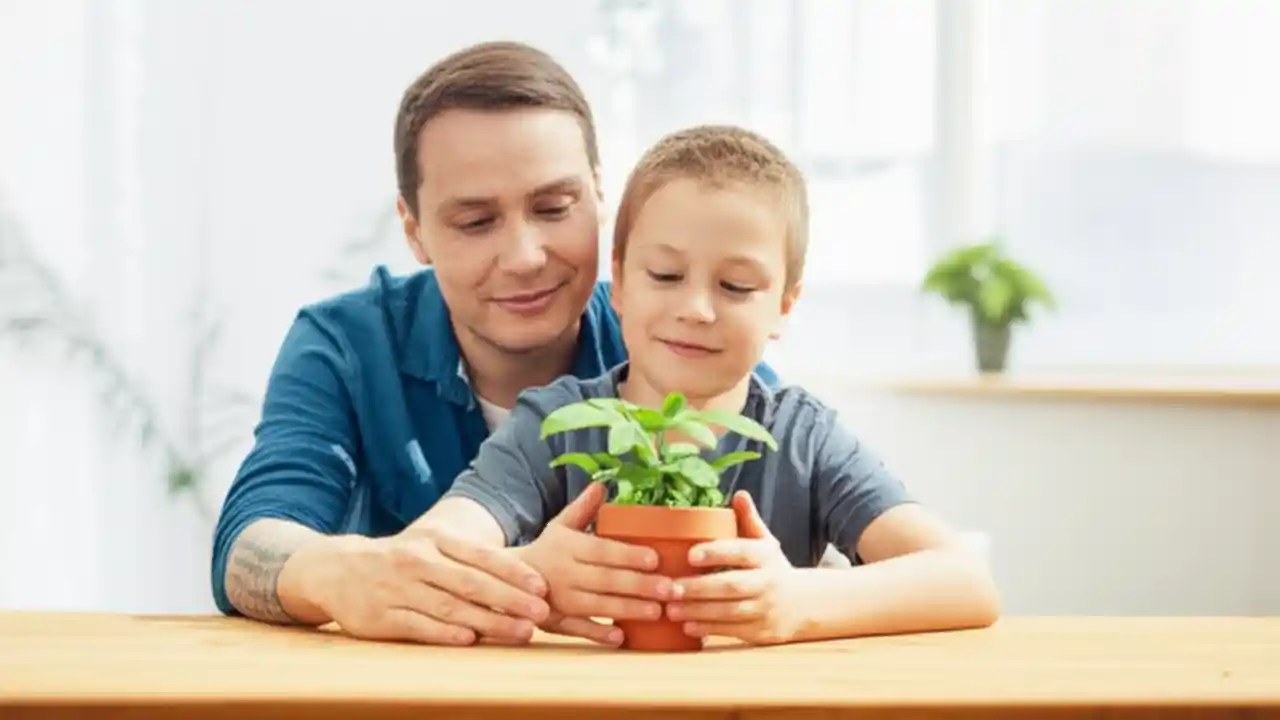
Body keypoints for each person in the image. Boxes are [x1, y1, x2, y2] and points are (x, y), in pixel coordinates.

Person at [210, 42, 776, 646]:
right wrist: (341, 574)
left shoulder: (678, 335)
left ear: (598, 196)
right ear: (415, 231)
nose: (525, 257)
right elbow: (250, 543)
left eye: (555, 207)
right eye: (476, 223)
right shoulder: (348, 344)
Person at [414, 125, 1001, 646]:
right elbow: (424, 557)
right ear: (617, 282)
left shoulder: (801, 437)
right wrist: (534, 577)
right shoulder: (555, 423)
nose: (696, 308)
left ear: (784, 306)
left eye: (737, 286)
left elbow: (965, 581)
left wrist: (798, 601)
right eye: (666, 275)